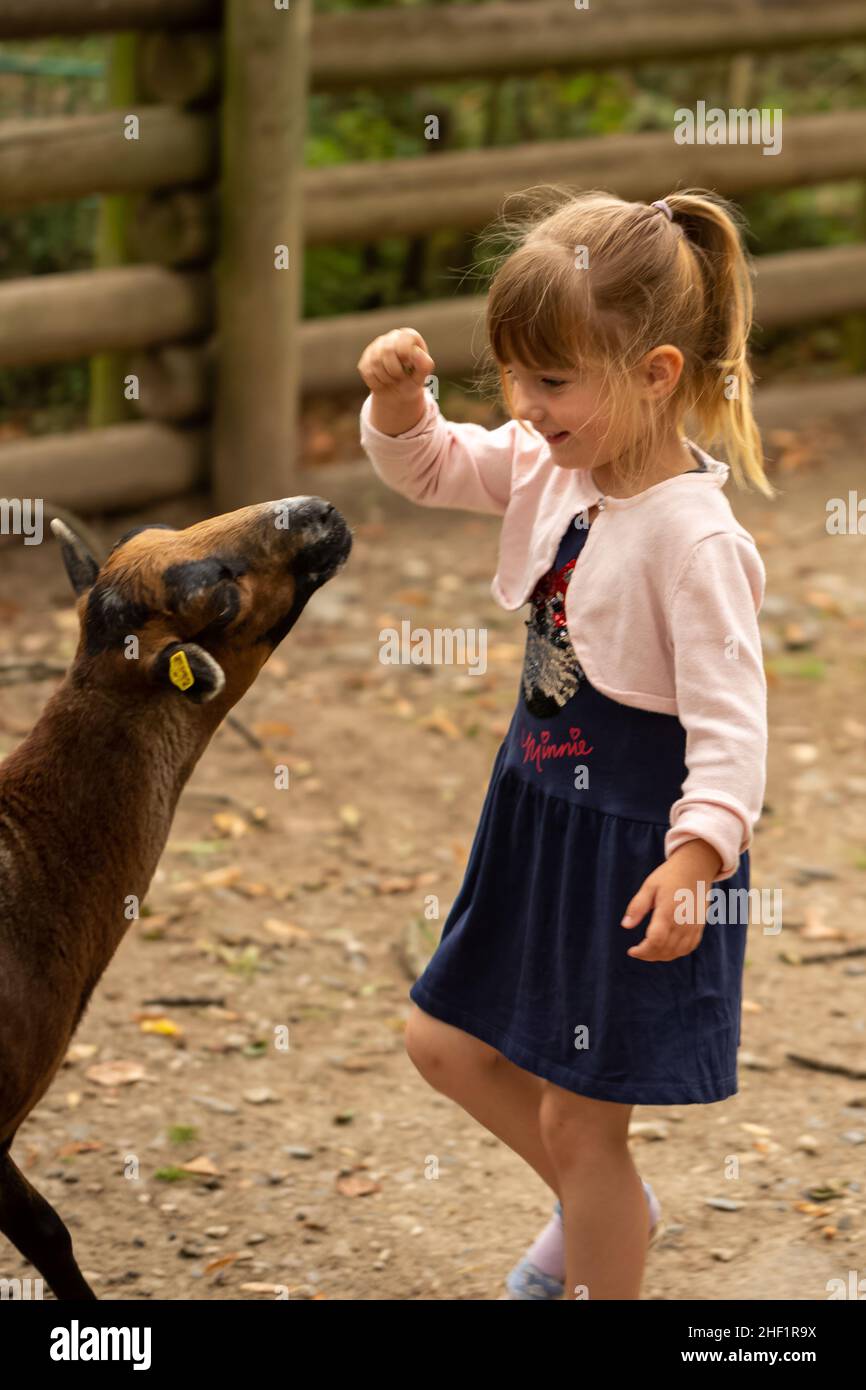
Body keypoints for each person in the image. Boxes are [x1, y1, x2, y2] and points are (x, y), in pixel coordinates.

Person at [356, 186, 772, 1301]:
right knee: (442, 1044)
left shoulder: (695, 541)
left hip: (634, 856)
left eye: (551, 381)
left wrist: (696, 863)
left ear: (655, 374)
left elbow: (734, 727)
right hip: (535, 821)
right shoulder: (553, 465)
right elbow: (435, 466)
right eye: (512, 378)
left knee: (577, 1124)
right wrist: (404, 406)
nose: (524, 407)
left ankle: (598, 1245)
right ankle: (610, 1216)